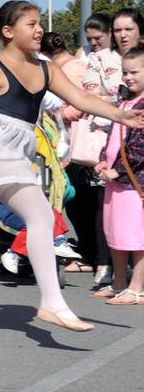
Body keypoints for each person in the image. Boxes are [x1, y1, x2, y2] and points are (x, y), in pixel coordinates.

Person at [0, 0, 144, 332]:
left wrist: (121, 114)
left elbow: (81, 98)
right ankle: (52, 303)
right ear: (7, 31)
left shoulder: (45, 68)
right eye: (30, 24)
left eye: (39, 23)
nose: (39, 29)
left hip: (13, 152)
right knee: (40, 215)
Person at [64, 14, 120, 280]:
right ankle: (88, 252)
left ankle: (103, 260)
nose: (93, 43)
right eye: (89, 38)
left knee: (101, 201)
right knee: (76, 198)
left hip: (107, 130)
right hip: (82, 134)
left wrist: (93, 99)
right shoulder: (84, 54)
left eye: (98, 38)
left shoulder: (119, 58)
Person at [93, 46, 144, 305]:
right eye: (125, 72)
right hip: (115, 180)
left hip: (135, 182)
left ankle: (137, 289)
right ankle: (119, 282)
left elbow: (140, 147)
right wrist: (104, 160)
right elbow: (113, 136)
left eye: (134, 71)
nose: (128, 77)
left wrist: (119, 169)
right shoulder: (124, 101)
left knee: (137, 235)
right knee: (116, 233)